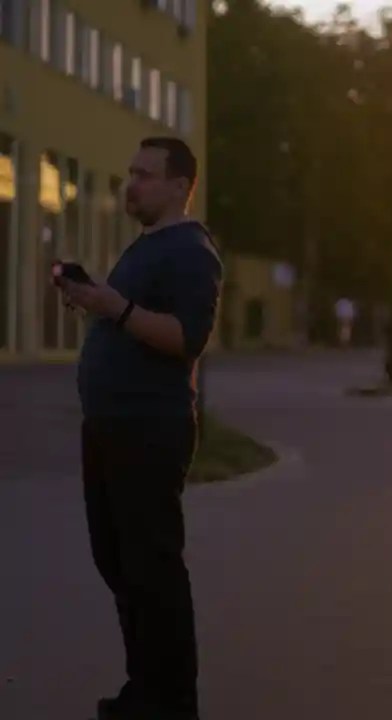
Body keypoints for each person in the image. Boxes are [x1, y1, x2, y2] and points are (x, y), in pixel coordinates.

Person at [53, 137, 222, 720]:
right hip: (109, 426)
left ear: (180, 186)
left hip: (149, 429)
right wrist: (92, 298)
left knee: (153, 570)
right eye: (131, 173)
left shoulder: (192, 252)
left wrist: (113, 307)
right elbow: (125, 318)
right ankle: (142, 689)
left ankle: (172, 701)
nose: (133, 184)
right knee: (119, 564)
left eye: (146, 175)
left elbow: (184, 338)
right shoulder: (144, 247)